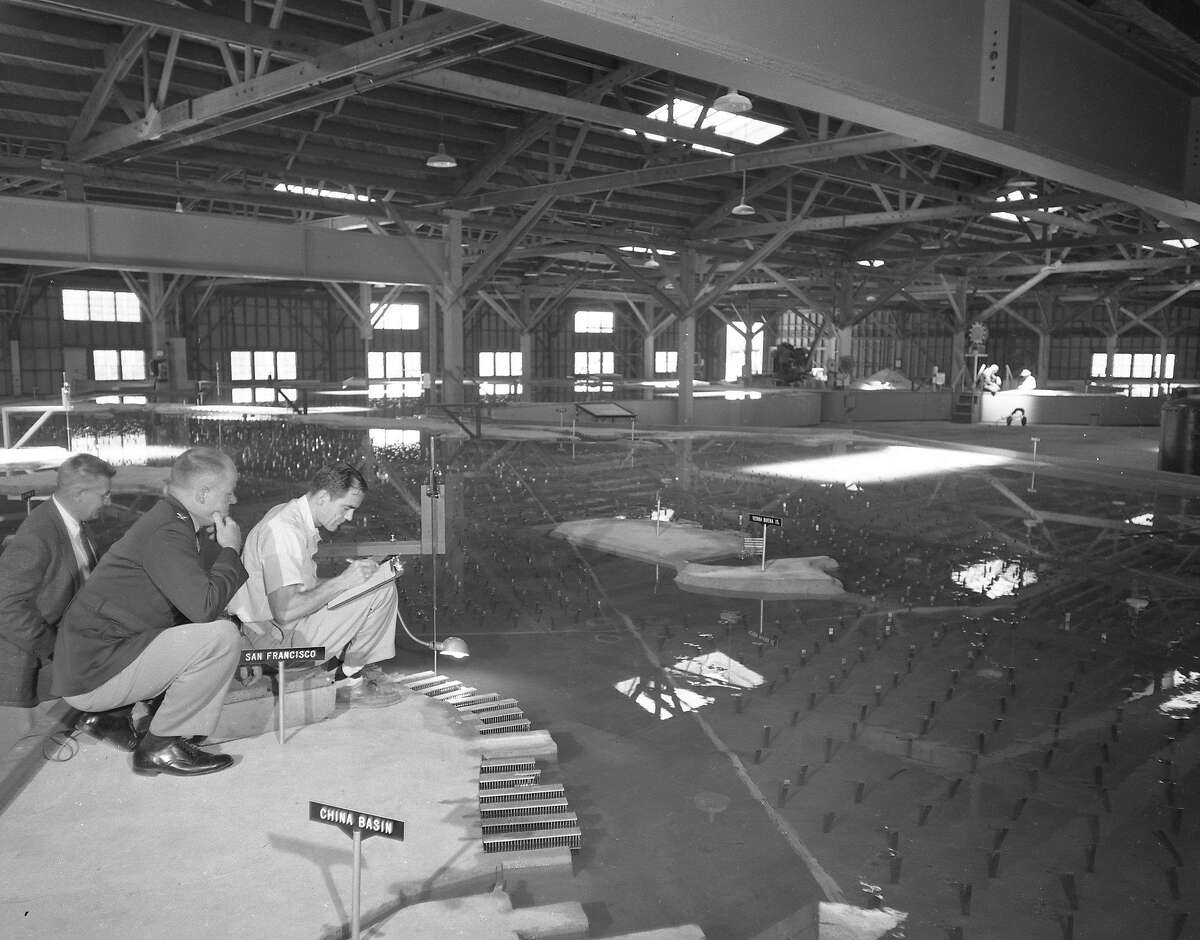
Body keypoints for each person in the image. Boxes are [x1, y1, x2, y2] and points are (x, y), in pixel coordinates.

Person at [52, 447, 247, 777]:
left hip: (95, 663)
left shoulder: (171, 520)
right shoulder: (168, 532)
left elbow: (186, 602)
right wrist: (231, 550)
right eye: (228, 494)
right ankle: (159, 748)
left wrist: (215, 547)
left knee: (215, 626)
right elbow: (203, 608)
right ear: (203, 493)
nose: (234, 501)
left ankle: (111, 717)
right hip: (93, 676)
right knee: (222, 636)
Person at [235, 463, 402, 708]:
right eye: (347, 507)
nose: (349, 517)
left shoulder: (291, 518)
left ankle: (350, 670)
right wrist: (344, 582)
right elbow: (285, 612)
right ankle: (349, 678)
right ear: (323, 497)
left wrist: (354, 583)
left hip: (279, 634)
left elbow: (300, 591)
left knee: (375, 582)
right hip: (277, 649)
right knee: (381, 590)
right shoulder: (284, 530)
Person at [0, 455, 134, 748]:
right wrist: (55, 649)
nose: (107, 501)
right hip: (30, 664)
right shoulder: (38, 535)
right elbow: (6, 607)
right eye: (103, 494)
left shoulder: (72, 522)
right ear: (79, 494)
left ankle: (110, 717)